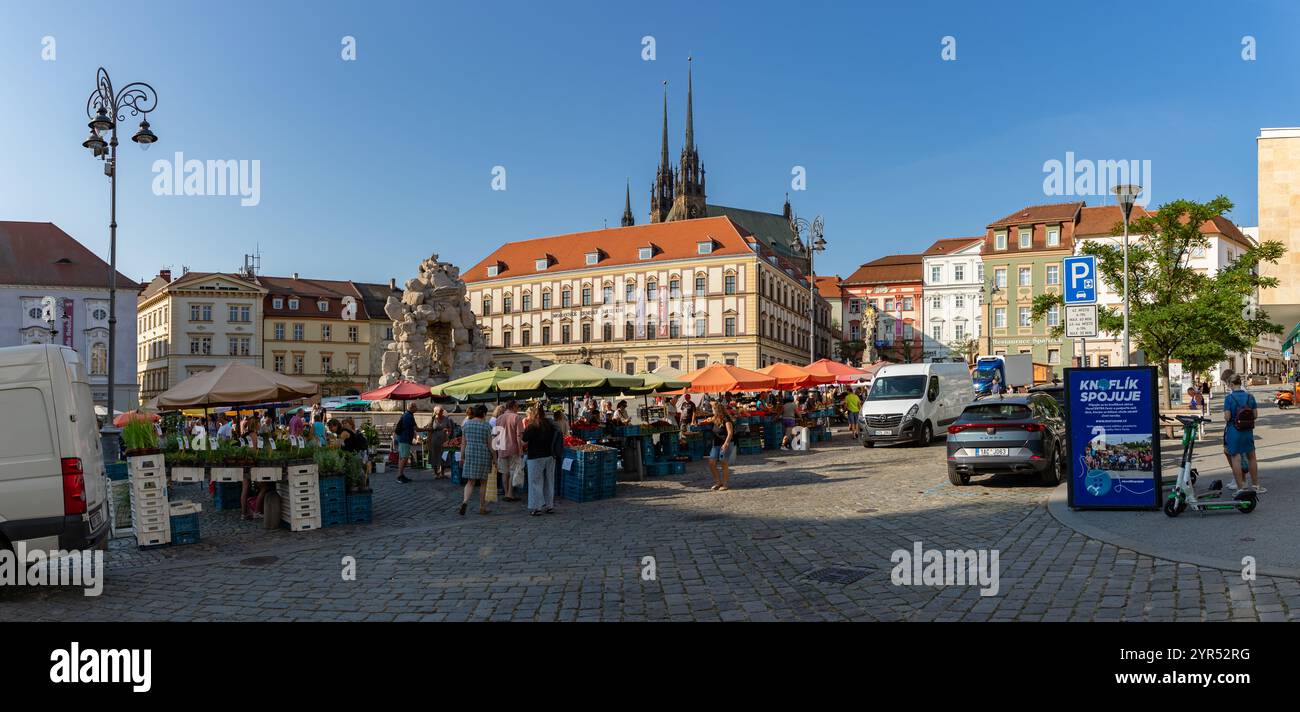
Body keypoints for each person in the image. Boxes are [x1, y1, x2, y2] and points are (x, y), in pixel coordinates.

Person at [1222, 374, 1263, 494]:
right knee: (1252, 457)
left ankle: (1241, 487)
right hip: (1248, 431)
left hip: (1234, 431)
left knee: (1236, 458)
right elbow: (1255, 415)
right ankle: (1256, 485)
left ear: (1231, 384)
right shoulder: (1250, 397)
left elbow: (1227, 417)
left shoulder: (1229, 399)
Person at [521, 405, 558, 516]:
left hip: (535, 456)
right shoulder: (550, 424)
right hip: (550, 456)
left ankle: (536, 508)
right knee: (549, 481)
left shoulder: (532, 426)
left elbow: (524, 441)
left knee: (535, 483)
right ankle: (549, 505)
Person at [458, 404, 494, 516]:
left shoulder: (466, 425)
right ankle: (482, 507)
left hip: (470, 453)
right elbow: (490, 445)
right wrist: (495, 457)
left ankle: (465, 501)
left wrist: (462, 457)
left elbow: (463, 443)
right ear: (483, 414)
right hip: (483, 454)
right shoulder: (487, 426)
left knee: (470, 482)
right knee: (483, 482)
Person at [493, 400, 525, 502]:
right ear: (514, 407)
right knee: (513, 471)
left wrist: (496, 450)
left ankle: (506, 492)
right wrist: (521, 450)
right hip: (513, 448)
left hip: (501, 448)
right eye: (517, 407)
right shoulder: (517, 417)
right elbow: (519, 436)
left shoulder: (499, 418)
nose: (518, 409)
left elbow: (495, 436)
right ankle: (510, 493)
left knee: (504, 472)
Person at [706, 401, 735, 491]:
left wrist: (726, 443)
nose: (712, 410)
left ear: (717, 410)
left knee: (723, 463)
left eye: (713, 409)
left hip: (725, 444)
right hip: (716, 444)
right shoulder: (715, 418)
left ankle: (725, 484)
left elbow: (730, 433)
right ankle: (718, 482)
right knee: (711, 463)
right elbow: (709, 419)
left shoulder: (726, 419)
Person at [424, 406, 452, 478]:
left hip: (444, 439)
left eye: (442, 410)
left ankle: (442, 473)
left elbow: (450, 428)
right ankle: (436, 473)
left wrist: (448, 432)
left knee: (443, 455)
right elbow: (429, 430)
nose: (442, 412)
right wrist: (428, 440)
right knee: (434, 455)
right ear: (436, 412)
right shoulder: (432, 419)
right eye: (440, 411)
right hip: (434, 439)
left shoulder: (446, 419)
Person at [394, 403, 418, 484]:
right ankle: (399, 476)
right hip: (405, 439)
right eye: (416, 407)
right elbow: (416, 428)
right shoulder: (409, 416)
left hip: (403, 438)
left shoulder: (406, 415)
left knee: (402, 457)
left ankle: (401, 475)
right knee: (404, 458)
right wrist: (428, 429)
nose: (417, 408)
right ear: (412, 408)